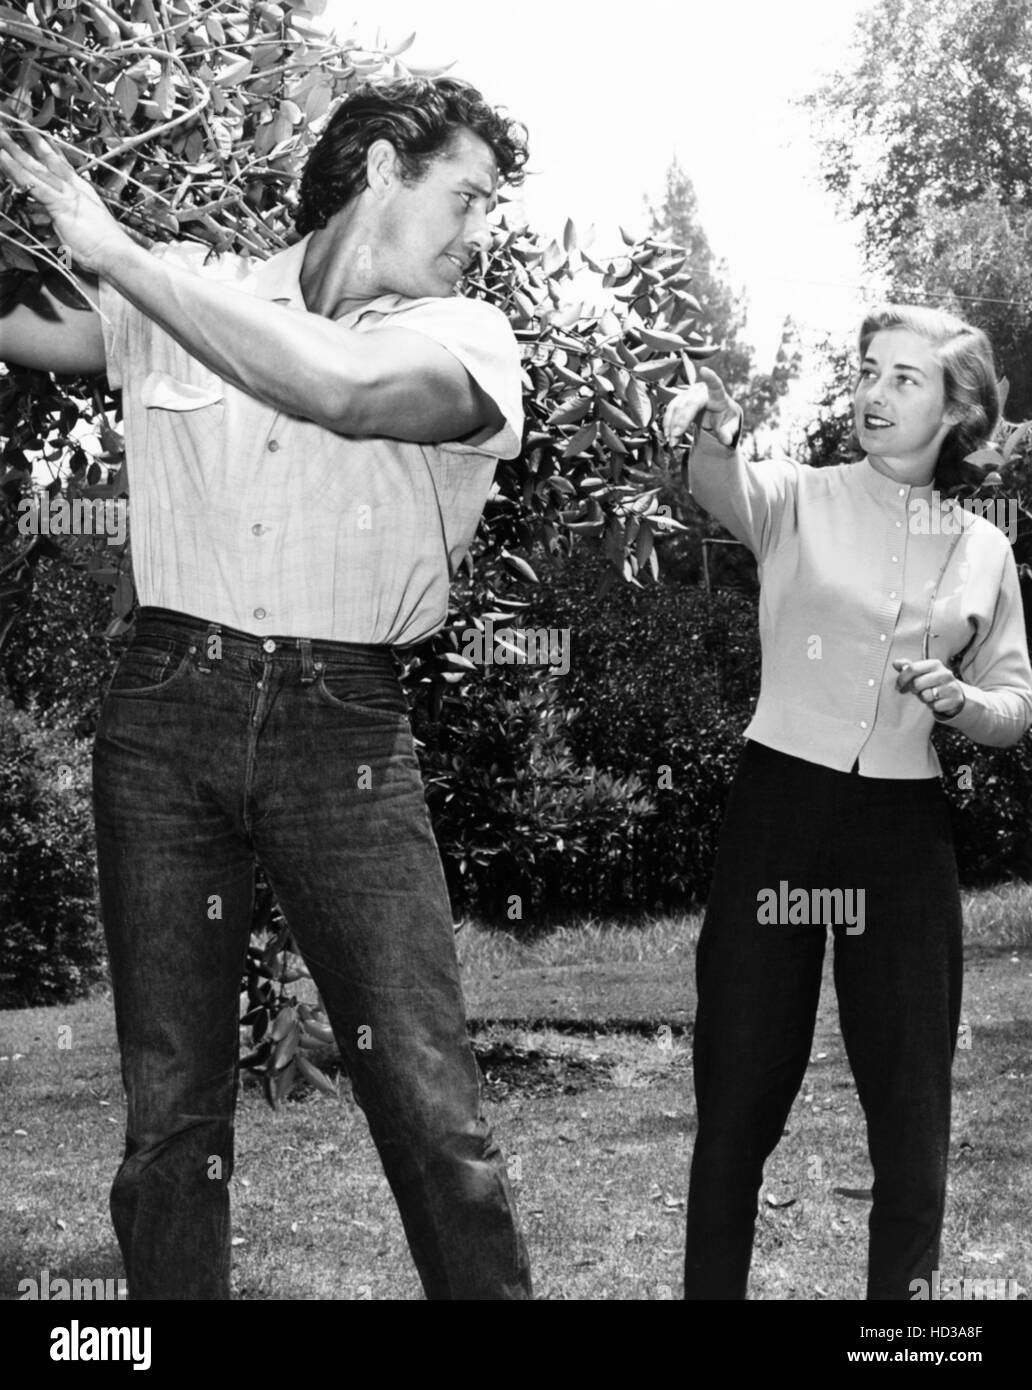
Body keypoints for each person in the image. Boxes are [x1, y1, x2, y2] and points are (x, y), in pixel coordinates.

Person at [0, 77, 533, 1301]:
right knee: (171, 1114)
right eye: (468, 195)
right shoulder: (189, 284)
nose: (481, 229)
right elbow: (23, 319)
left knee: (428, 1101)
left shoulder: (465, 339)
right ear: (386, 165)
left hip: (341, 729)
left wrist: (120, 253)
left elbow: (336, 391)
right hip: (165, 712)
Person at [664, 306, 1032, 1301]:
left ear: (958, 410)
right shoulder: (797, 497)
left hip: (902, 841)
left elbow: (1015, 703)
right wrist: (711, 427)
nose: (874, 393)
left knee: (911, 1111)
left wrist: (968, 703)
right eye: (869, 371)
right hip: (780, 819)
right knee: (739, 1091)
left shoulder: (984, 552)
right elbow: (717, 482)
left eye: (905, 379)